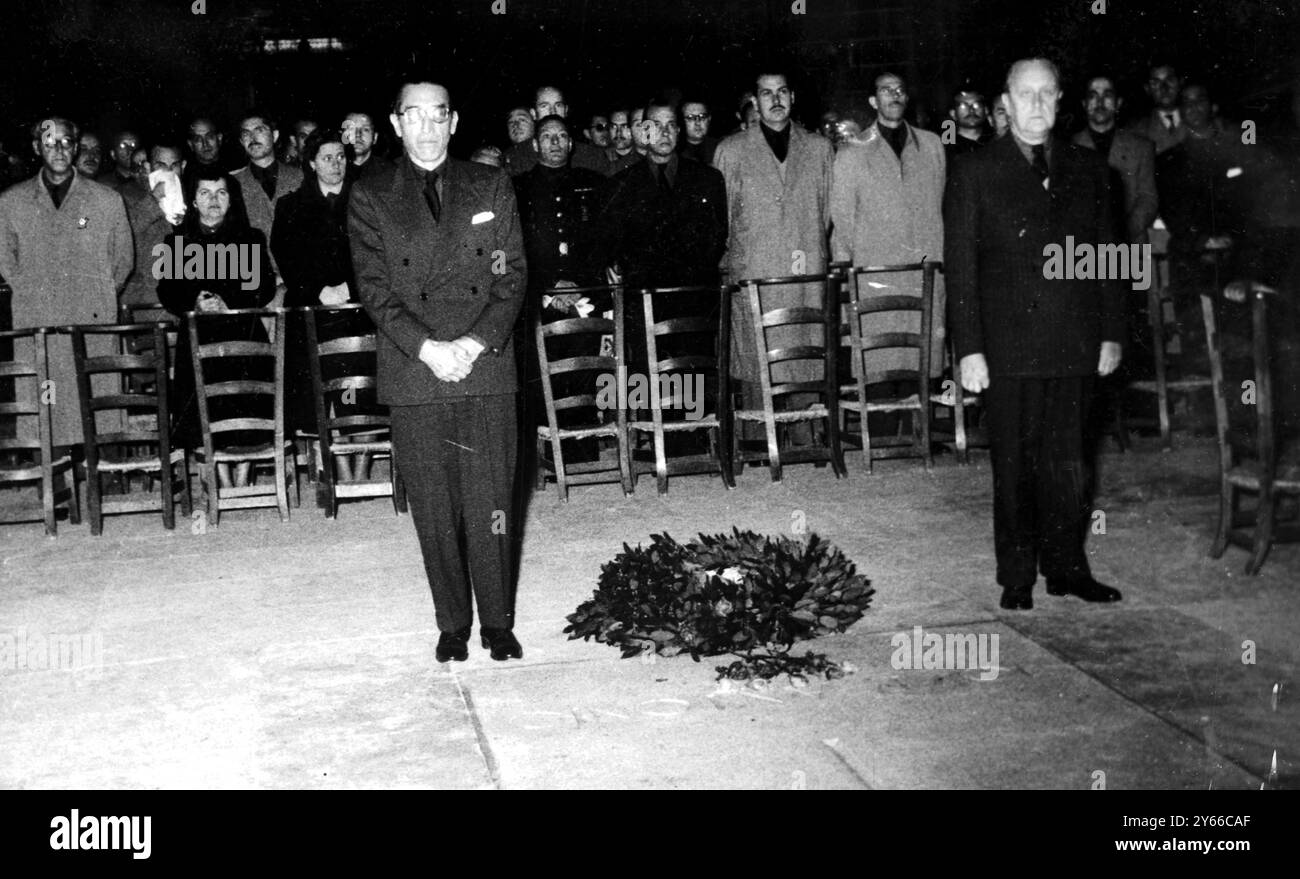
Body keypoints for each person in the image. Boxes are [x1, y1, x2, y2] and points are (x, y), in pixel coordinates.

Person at [349, 80, 526, 663]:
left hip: (485, 366)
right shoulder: (370, 194)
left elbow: (510, 277)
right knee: (433, 506)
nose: (427, 127)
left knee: (491, 502)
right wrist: (429, 348)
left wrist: (473, 343)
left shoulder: (491, 185)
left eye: (438, 115)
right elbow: (374, 290)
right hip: (415, 369)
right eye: (414, 116)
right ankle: (452, 623)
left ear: (454, 122)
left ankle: (497, 623)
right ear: (396, 124)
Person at [945, 58, 1125, 612]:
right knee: (1016, 465)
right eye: (1027, 94)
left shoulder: (1092, 170)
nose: (1038, 104)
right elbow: (962, 269)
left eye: (1048, 93)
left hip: (1075, 343)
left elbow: (1111, 261)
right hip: (1007, 349)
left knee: (1070, 465)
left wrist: (1113, 334)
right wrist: (969, 349)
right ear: (1006, 101)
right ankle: (1018, 575)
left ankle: (1068, 568)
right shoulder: (974, 171)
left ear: (1060, 98)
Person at [713, 70, 833, 443]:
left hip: (803, 269)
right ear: (756, 101)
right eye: (766, 93)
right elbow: (723, 218)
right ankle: (756, 440)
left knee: (803, 349)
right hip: (754, 269)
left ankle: (805, 435)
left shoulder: (818, 148)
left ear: (792, 97)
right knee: (755, 355)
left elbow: (828, 212)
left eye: (782, 91)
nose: (775, 99)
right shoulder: (731, 150)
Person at [0, 115, 133, 447]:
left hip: (91, 322)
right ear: (36, 147)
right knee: (48, 400)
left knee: (96, 404)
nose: (58, 149)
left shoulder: (106, 200)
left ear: (75, 148)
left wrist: (96, 293)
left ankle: (104, 476)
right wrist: (34, 290)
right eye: (49, 141)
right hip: (40, 323)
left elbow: (123, 260)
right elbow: (5, 259)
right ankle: (55, 478)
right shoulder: (12, 201)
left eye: (66, 142)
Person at [831, 71, 947, 435]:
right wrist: (858, 263)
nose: (894, 95)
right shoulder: (852, 152)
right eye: (885, 90)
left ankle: (921, 434)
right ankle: (880, 434)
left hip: (923, 269)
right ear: (872, 101)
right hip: (876, 273)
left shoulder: (932, 146)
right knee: (879, 353)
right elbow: (842, 217)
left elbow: (939, 202)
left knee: (922, 352)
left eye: (899, 89)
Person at [157, 169, 276, 480]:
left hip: (243, 336)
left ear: (231, 199)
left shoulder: (250, 238)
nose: (213, 200)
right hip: (198, 338)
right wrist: (194, 301)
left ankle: (243, 478)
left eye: (221, 193)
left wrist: (229, 302)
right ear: (193, 200)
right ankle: (221, 480)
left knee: (246, 409)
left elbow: (263, 287)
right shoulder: (177, 241)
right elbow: (167, 291)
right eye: (205, 193)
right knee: (203, 411)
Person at [271, 128, 360, 439]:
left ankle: (356, 467)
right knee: (309, 400)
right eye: (327, 158)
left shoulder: (365, 201)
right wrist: (320, 290)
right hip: (311, 307)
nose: (336, 164)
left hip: (355, 309)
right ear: (311, 163)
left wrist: (350, 287)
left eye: (340, 157)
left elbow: (376, 252)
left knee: (355, 395)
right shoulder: (290, 205)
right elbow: (286, 255)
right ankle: (318, 469)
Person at [1072, 75, 1158, 244]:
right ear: (1084, 104)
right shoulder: (1069, 148)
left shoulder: (1142, 147)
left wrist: (1121, 233)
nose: (1100, 101)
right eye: (1093, 95)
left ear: (1118, 103)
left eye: (1107, 95)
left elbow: (1148, 198)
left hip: (1130, 245)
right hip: (1083, 251)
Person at [231, 112, 303, 287]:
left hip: (300, 280)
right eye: (246, 133)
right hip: (254, 283)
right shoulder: (231, 184)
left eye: (259, 130)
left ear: (275, 135)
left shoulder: (301, 179)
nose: (252, 137)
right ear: (241, 141)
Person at [503, 86, 607, 176]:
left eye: (558, 105)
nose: (552, 111)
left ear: (566, 110)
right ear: (533, 113)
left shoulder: (591, 156)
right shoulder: (515, 157)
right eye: (544, 106)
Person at [1125, 62, 1186, 156]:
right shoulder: (1137, 130)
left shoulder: (1199, 121)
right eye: (1156, 83)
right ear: (1147, 89)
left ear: (1180, 82)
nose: (1164, 88)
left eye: (1170, 80)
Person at [946, 87, 992, 157]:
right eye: (963, 106)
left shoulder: (997, 140)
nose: (971, 110)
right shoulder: (947, 149)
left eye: (977, 105)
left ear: (986, 110)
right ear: (953, 113)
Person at [342, 111, 386, 180]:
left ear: (375, 137)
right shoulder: (331, 171)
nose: (358, 134)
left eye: (365, 129)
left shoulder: (389, 172)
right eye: (351, 129)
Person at [678, 98, 718, 165]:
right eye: (691, 118)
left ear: (709, 119)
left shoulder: (719, 148)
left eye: (702, 117)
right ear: (682, 121)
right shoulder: (674, 151)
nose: (697, 123)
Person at [604, 108, 638, 176]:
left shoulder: (643, 158)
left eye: (625, 126)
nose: (618, 132)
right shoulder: (601, 158)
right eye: (613, 126)